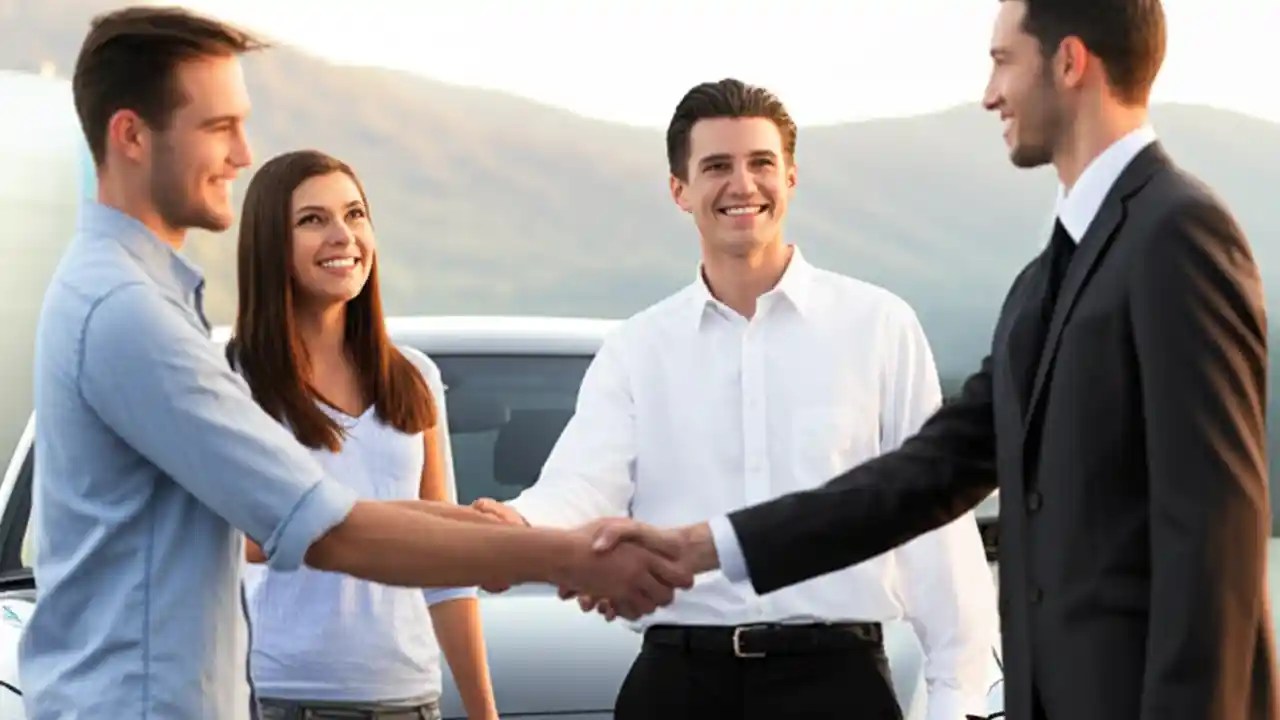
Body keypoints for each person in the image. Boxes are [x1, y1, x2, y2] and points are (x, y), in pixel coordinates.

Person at [591, 2, 1276, 719]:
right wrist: (707, 547)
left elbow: (1214, 543)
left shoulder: (1179, 233)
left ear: (1070, 63)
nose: (989, 94)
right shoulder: (1044, 282)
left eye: (1003, 61)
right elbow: (925, 476)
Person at [20, 8, 690, 720]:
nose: (244, 154)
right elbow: (326, 529)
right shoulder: (128, 314)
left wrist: (511, 537)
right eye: (219, 127)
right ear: (131, 136)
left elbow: (358, 514)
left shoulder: (138, 297)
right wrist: (563, 559)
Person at [474, 78, 998, 720]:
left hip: (837, 686)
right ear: (680, 190)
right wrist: (517, 526)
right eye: (717, 166)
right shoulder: (638, 347)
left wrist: (956, 698)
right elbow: (582, 487)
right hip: (678, 686)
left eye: (761, 163)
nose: (742, 185)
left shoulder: (879, 326)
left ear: (792, 178)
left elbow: (932, 522)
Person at [229, 149, 498, 720]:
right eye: (312, 219)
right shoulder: (231, 381)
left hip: (411, 699)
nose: (342, 235)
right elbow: (222, 536)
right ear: (270, 243)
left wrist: (482, 712)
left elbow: (445, 572)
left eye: (354, 215)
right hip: (280, 699)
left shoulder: (415, 377)